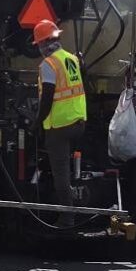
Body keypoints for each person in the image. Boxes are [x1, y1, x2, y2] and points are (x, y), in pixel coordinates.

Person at [32, 19, 87, 213]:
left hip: (60, 126)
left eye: (38, 43)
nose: (38, 47)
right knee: (73, 168)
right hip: (79, 122)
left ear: (43, 43)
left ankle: (67, 218)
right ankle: (81, 202)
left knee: (61, 173)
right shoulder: (71, 58)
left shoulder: (49, 64)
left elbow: (47, 98)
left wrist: (37, 123)